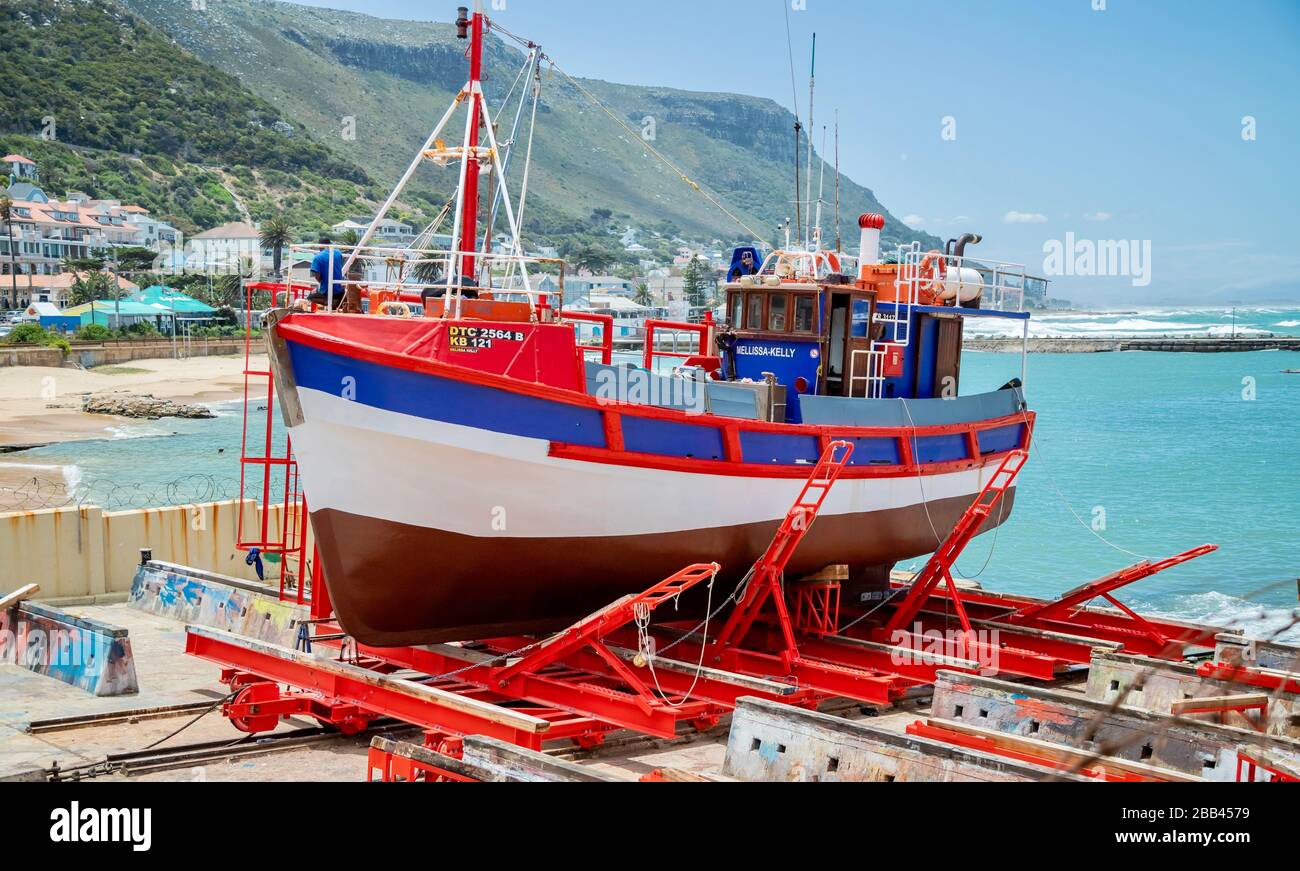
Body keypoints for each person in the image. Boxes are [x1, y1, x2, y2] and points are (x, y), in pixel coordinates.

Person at [307, 235, 347, 309]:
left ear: (320, 246)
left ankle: (329, 302)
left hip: (327, 290)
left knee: (310, 297)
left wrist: (321, 285)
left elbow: (317, 276)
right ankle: (335, 302)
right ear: (330, 244)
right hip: (339, 289)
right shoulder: (338, 253)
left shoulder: (317, 257)